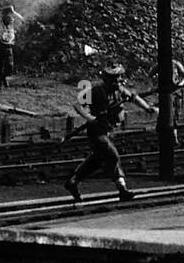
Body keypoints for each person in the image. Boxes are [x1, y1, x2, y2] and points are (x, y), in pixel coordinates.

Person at [65, 64, 158, 204]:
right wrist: (91, 118)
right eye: (115, 78)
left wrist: (147, 108)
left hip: (108, 131)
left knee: (96, 161)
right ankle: (122, 189)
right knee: (112, 156)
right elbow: (77, 105)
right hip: (97, 132)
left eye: (119, 78)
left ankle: (73, 181)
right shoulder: (95, 91)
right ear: (107, 79)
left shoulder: (119, 90)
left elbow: (134, 97)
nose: (118, 81)